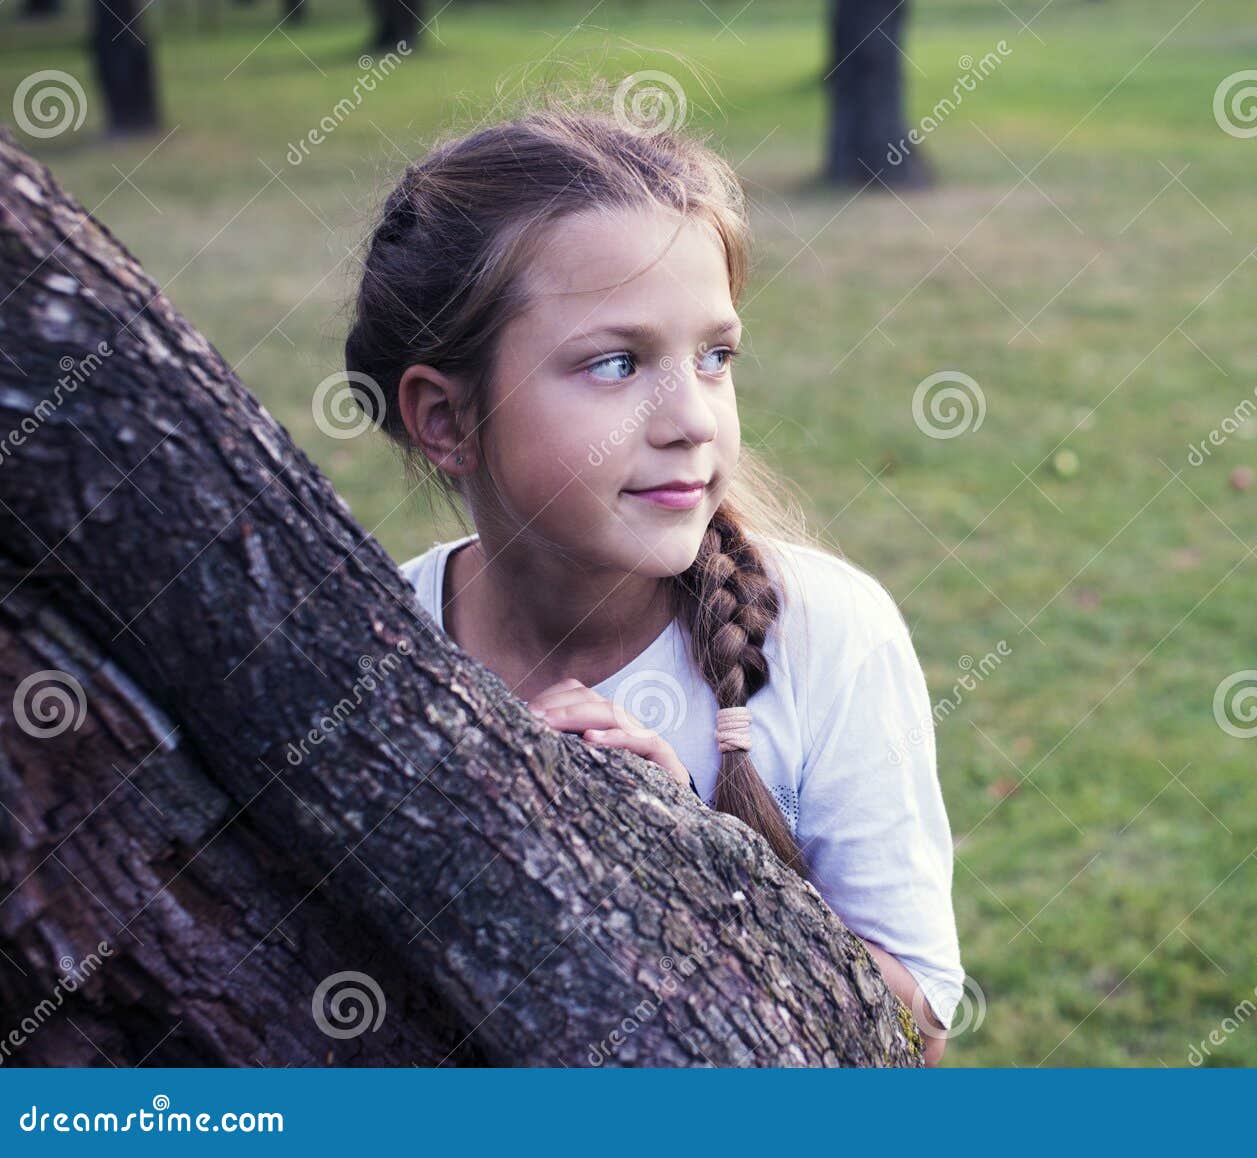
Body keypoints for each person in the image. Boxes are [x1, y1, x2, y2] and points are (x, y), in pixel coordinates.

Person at [342, 94, 964, 1063]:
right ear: (446, 419)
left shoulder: (825, 636)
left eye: (715, 357)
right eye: (616, 364)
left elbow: (913, 1032)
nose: (692, 420)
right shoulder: (378, 649)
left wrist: (677, 859)